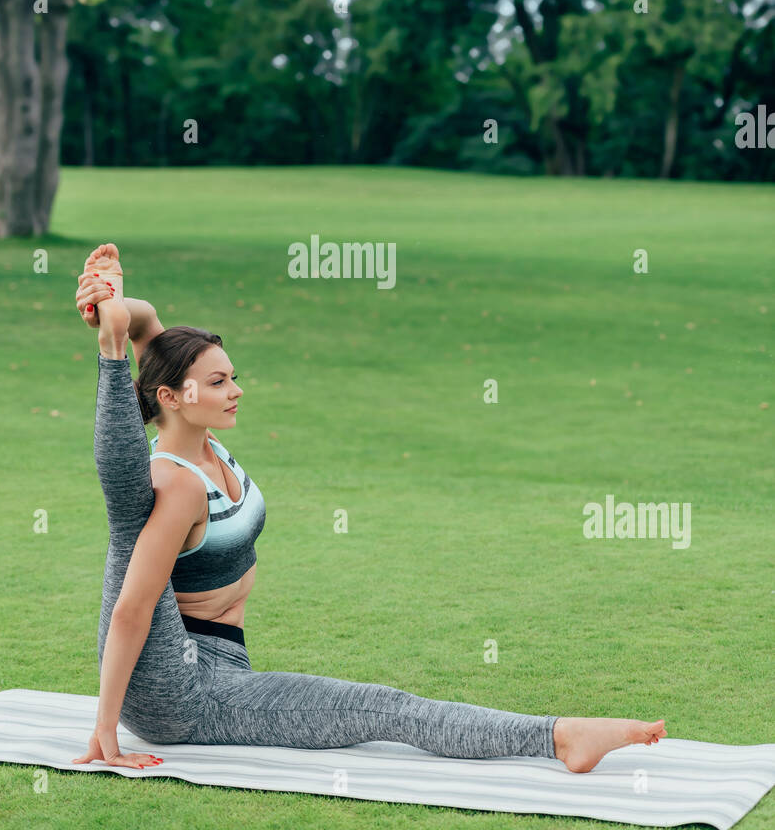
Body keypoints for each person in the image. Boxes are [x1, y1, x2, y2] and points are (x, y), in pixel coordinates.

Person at [72, 243, 667, 775]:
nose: (237, 390)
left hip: (221, 658)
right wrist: (107, 731)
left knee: (370, 707)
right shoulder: (176, 485)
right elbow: (131, 609)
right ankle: (560, 738)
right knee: (379, 708)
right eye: (220, 382)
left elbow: (151, 326)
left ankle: (111, 344)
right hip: (181, 692)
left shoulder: (200, 440)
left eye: (233, 377)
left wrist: (113, 302)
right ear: (173, 397)